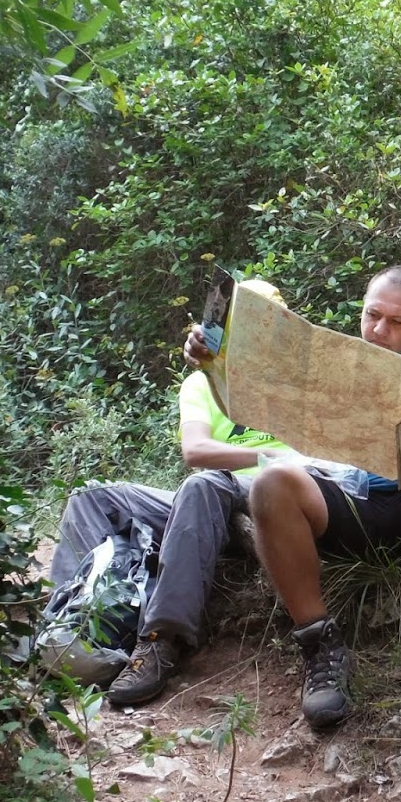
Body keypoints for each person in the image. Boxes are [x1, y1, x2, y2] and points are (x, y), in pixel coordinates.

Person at [189, 266, 401, 729]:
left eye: (396, 322)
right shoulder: (324, 363)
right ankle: (318, 645)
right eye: (373, 316)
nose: (379, 330)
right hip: (342, 507)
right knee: (271, 483)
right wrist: (210, 355)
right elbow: (252, 387)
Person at [50, 279, 291, 706]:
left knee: (202, 485)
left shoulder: (298, 386)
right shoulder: (202, 385)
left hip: (283, 489)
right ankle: (63, 626)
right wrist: (263, 459)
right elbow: (196, 450)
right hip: (219, 486)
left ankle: (160, 640)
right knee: (92, 497)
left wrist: (276, 466)